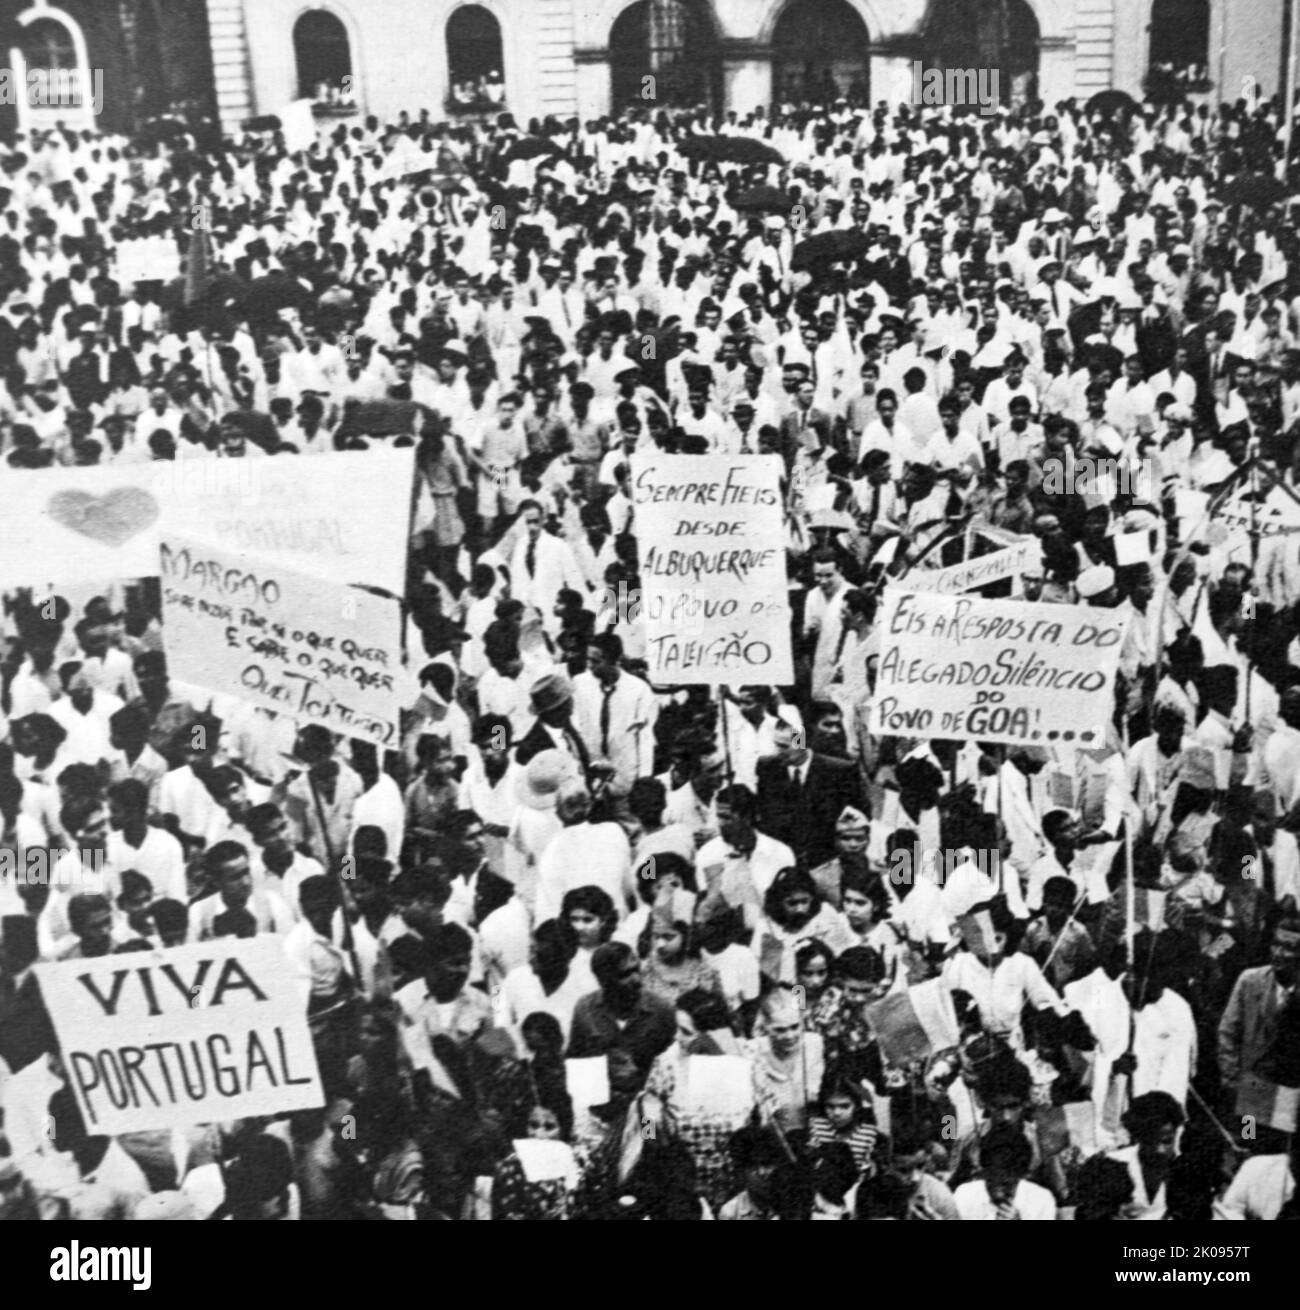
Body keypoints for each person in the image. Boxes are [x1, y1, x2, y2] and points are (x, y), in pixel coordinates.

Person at [566, 941, 675, 1070]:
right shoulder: (584, 1009)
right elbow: (576, 1063)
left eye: (637, 970)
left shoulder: (662, 1010)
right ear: (603, 981)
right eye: (625, 975)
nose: (637, 980)